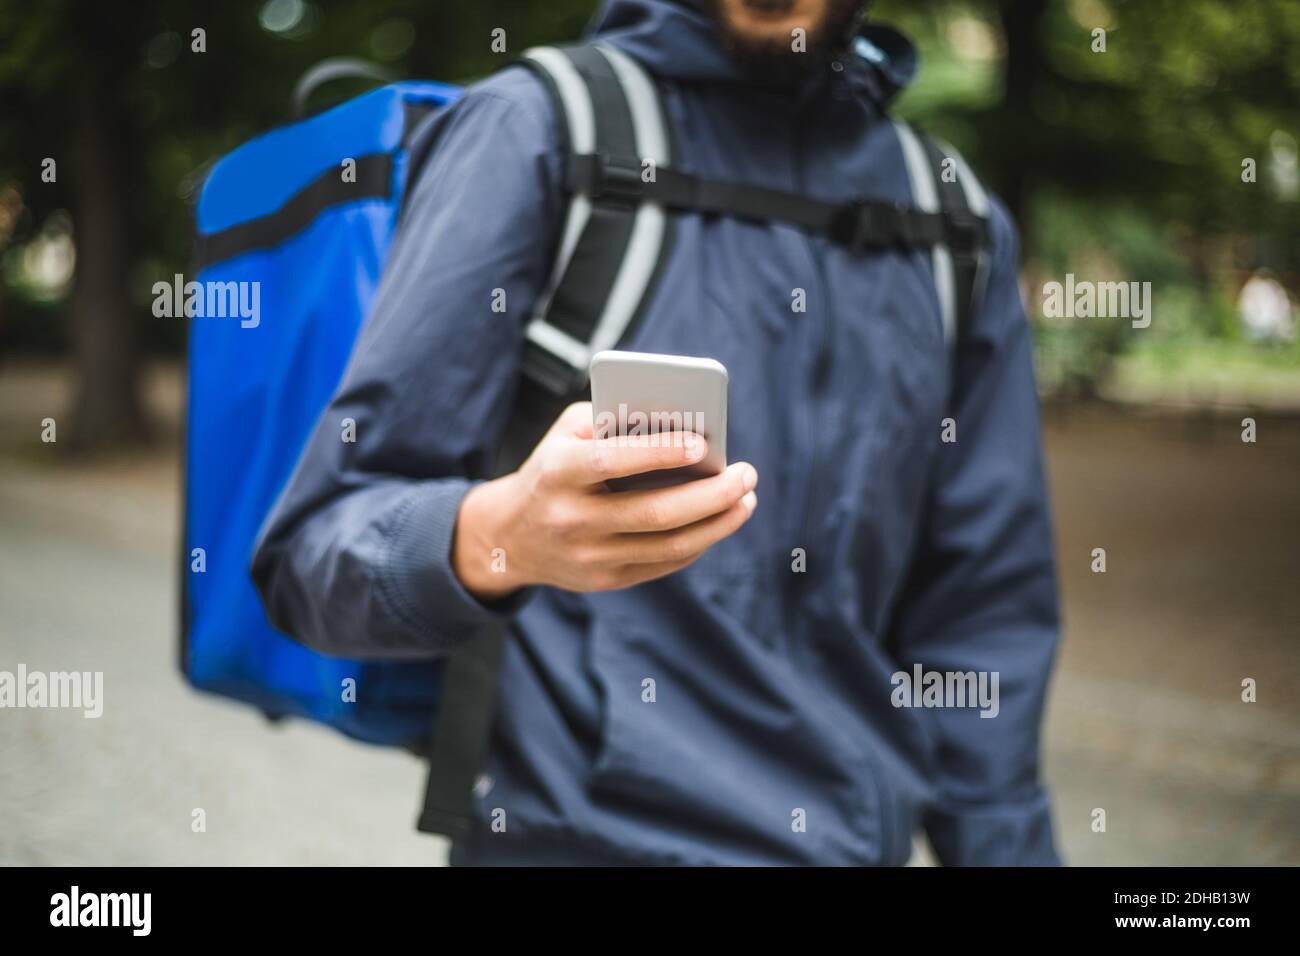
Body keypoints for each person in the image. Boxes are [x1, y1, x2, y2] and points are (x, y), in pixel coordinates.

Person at [253, 0, 1061, 866]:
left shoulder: (954, 224)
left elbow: (983, 620)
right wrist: (497, 539)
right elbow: (310, 554)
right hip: (568, 841)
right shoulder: (536, 130)